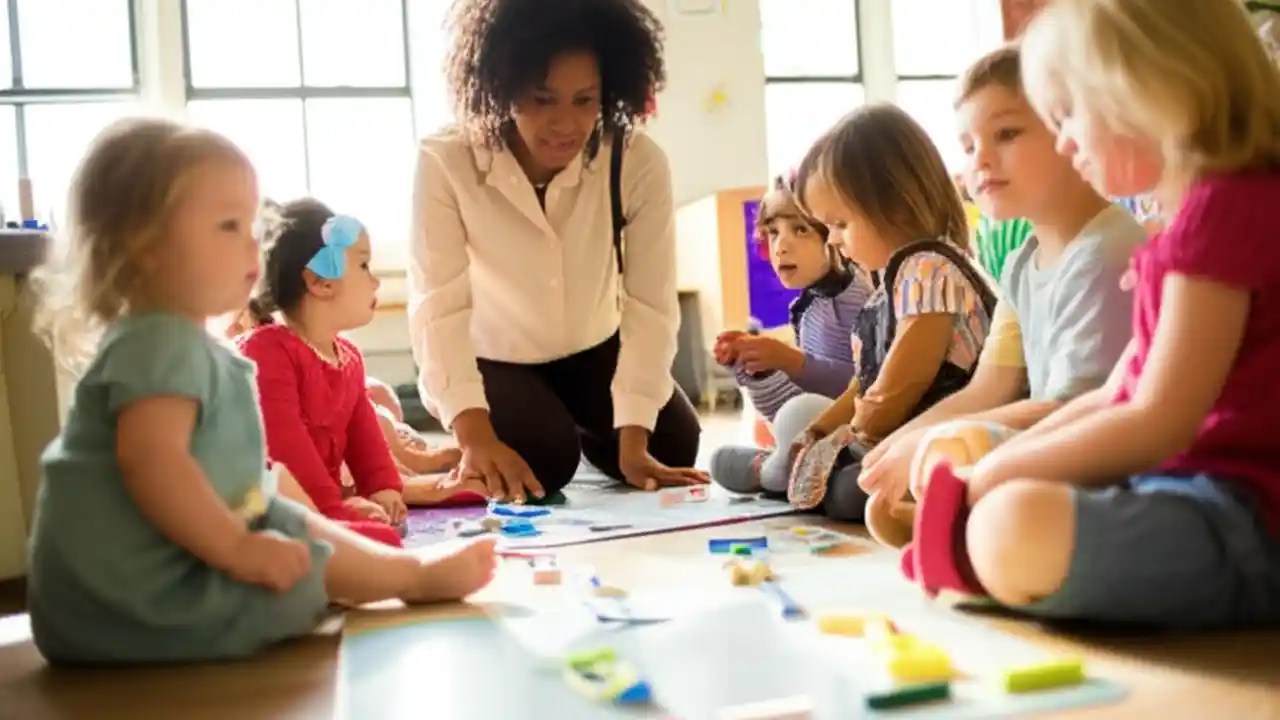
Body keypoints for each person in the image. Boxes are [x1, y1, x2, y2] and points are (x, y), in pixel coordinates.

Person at [25, 117, 496, 664]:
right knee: (295, 580)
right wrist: (236, 548)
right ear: (145, 247)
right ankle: (405, 577)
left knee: (291, 526)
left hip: (131, 584)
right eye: (229, 226)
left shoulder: (188, 346)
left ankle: (407, 574)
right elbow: (150, 461)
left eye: (254, 227)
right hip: (124, 601)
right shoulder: (157, 343)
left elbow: (254, 486)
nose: (253, 247)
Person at [915, 0, 1280, 628]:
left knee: (1011, 524)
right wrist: (993, 470)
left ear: (1147, 90)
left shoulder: (1225, 211)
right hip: (1188, 485)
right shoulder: (1191, 221)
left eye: (1067, 115)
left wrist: (991, 478)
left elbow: (1155, 420)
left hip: (1249, 515)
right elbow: (1118, 392)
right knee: (995, 487)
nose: (1064, 142)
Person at [408, 0, 706, 503]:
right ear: (502, 87)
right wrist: (474, 436)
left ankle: (592, 429)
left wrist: (632, 437)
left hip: (594, 346)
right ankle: (549, 428)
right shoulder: (446, 161)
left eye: (584, 100)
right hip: (497, 356)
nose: (564, 124)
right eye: (542, 99)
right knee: (541, 462)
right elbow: (438, 304)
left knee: (673, 443)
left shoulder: (636, 162)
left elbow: (651, 305)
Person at [855, 43, 1144, 548]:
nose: (980, 159)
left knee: (956, 450)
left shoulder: (1109, 250)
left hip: (1105, 450)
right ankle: (957, 514)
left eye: (1006, 134)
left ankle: (976, 520)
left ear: (1073, 132)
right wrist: (895, 444)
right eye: (967, 147)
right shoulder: (1021, 263)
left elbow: (1079, 407)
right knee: (886, 473)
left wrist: (931, 442)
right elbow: (987, 390)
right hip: (1053, 436)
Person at [711, 105, 996, 520]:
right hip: (895, 430)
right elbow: (863, 386)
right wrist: (817, 433)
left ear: (893, 207)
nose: (836, 241)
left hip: (943, 433)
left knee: (849, 489)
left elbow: (901, 384)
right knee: (812, 438)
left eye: (840, 225)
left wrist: (845, 439)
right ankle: (784, 468)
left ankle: (776, 473)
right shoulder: (892, 283)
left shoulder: (928, 268)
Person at [713, 172, 873, 425]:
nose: (781, 247)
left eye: (800, 229)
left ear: (832, 235)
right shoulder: (813, 303)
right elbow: (799, 403)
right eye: (773, 232)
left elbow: (868, 388)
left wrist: (790, 360)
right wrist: (756, 365)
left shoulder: (853, 301)